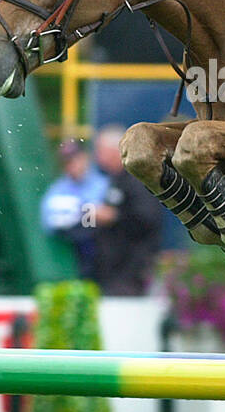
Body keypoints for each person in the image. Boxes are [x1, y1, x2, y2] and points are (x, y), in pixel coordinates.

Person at [90, 125, 163, 296]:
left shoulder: (138, 180)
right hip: (111, 270)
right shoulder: (114, 180)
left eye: (100, 150)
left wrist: (114, 217)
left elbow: (148, 219)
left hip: (132, 270)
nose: (97, 155)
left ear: (116, 151)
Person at [40, 140, 111, 281]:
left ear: (85, 157)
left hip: (103, 252)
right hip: (70, 252)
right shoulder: (57, 188)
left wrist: (79, 211)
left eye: (75, 160)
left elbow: (108, 215)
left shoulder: (103, 183)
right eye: (67, 162)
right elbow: (49, 222)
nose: (71, 166)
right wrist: (87, 211)